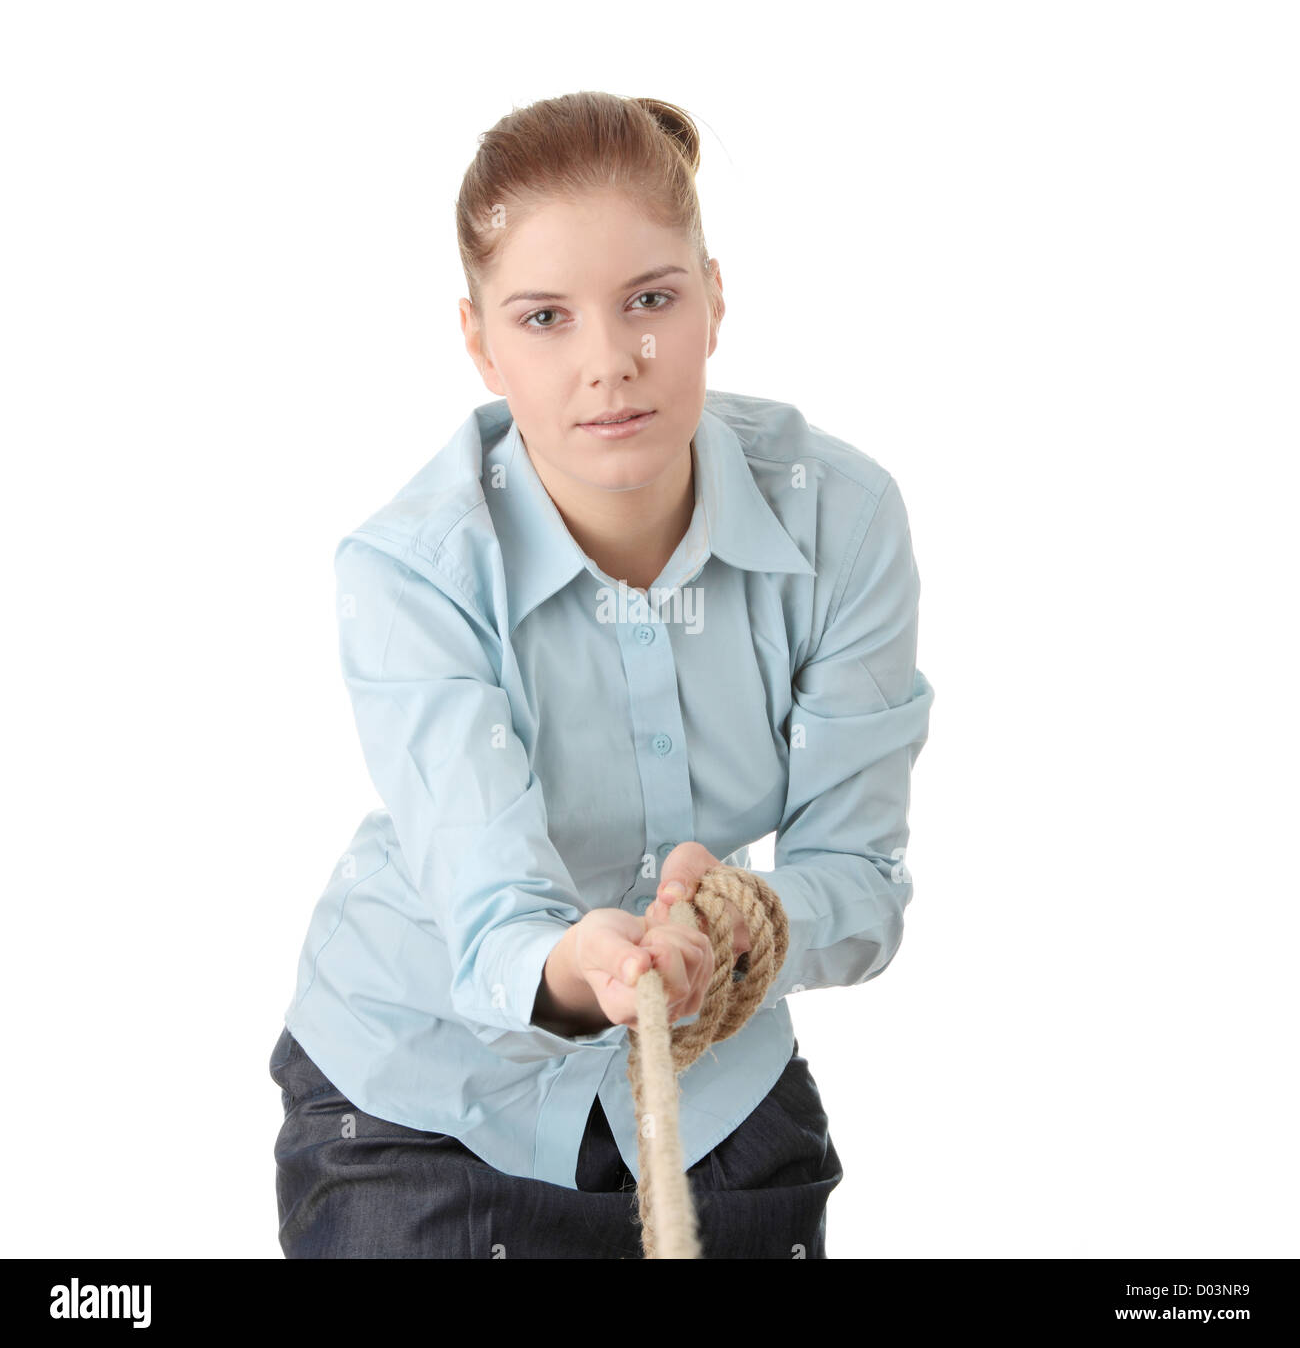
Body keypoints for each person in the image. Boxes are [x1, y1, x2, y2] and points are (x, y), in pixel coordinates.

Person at [269, 91, 935, 1258]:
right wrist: (595, 967)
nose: (608, 364)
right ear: (478, 342)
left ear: (714, 299)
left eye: (650, 301)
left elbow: (859, 882)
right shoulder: (409, 572)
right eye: (542, 318)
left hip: (706, 1086)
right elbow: (493, 927)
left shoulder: (844, 519)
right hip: (423, 1100)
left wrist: (748, 927)